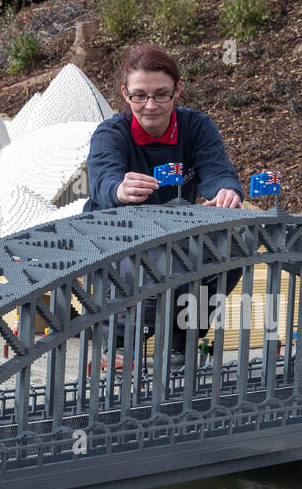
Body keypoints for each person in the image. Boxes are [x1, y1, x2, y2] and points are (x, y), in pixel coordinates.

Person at [84, 45, 247, 369]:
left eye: (161, 94)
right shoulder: (111, 133)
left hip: (172, 230)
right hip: (117, 233)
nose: (150, 105)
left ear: (178, 90)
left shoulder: (197, 127)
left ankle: (181, 339)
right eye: (140, 96)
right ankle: (116, 343)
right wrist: (119, 189)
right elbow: (102, 177)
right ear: (125, 94)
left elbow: (216, 169)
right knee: (155, 263)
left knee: (232, 252)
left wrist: (226, 192)